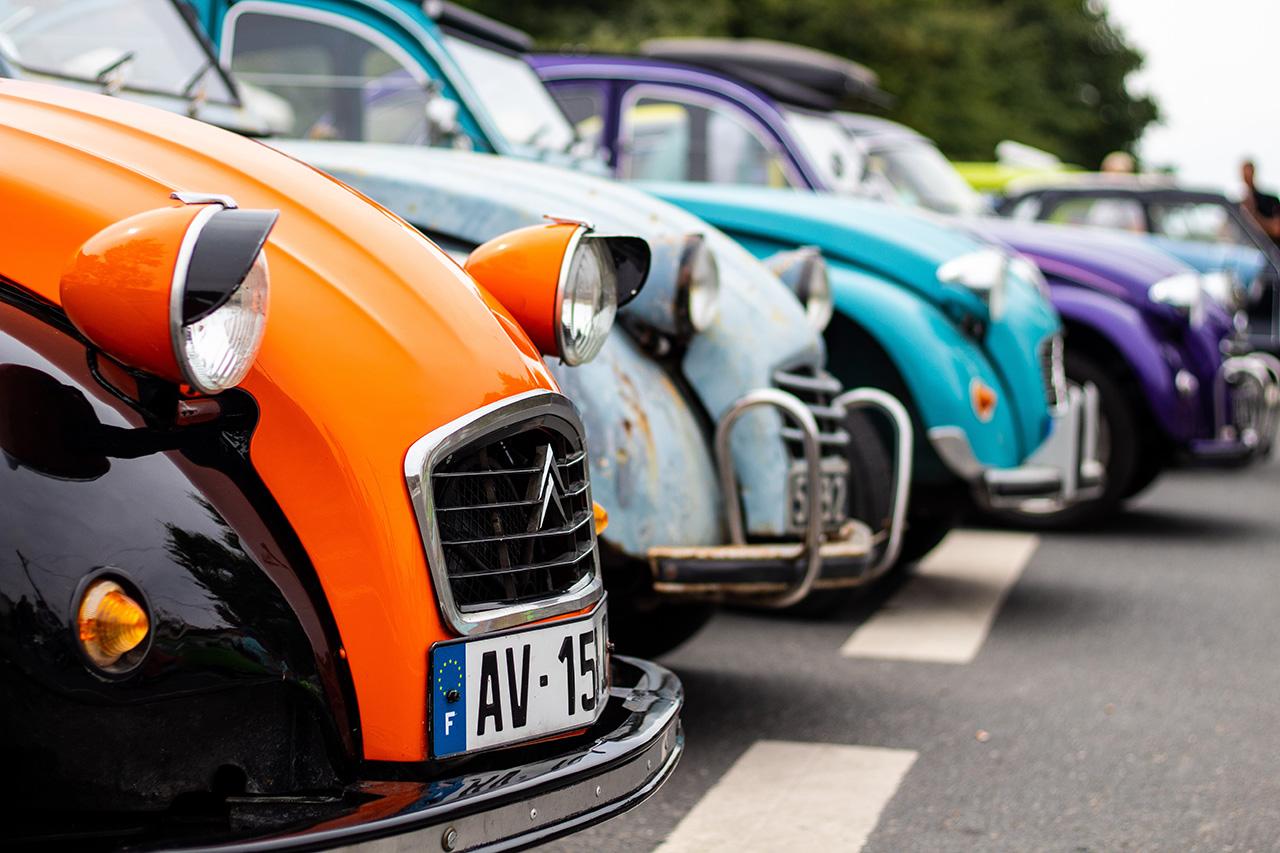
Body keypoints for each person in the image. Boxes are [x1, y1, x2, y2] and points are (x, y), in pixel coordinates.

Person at [1241, 160, 1280, 243]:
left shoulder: (1270, 201)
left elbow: (1276, 229)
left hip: (1270, 252)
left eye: (1249, 173)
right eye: (1245, 174)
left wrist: (1252, 215)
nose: (1247, 177)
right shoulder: (1240, 204)